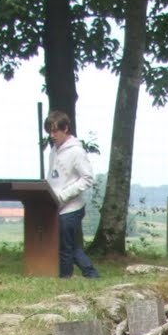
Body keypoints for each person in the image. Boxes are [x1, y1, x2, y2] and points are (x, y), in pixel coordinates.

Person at [46, 110, 100, 279]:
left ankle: (65, 278)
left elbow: (88, 178)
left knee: (65, 247)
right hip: (56, 206)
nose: (52, 135)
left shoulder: (76, 152)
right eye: (50, 131)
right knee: (70, 244)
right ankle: (91, 274)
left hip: (71, 207)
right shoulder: (54, 151)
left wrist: (64, 195)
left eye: (56, 131)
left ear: (66, 129)